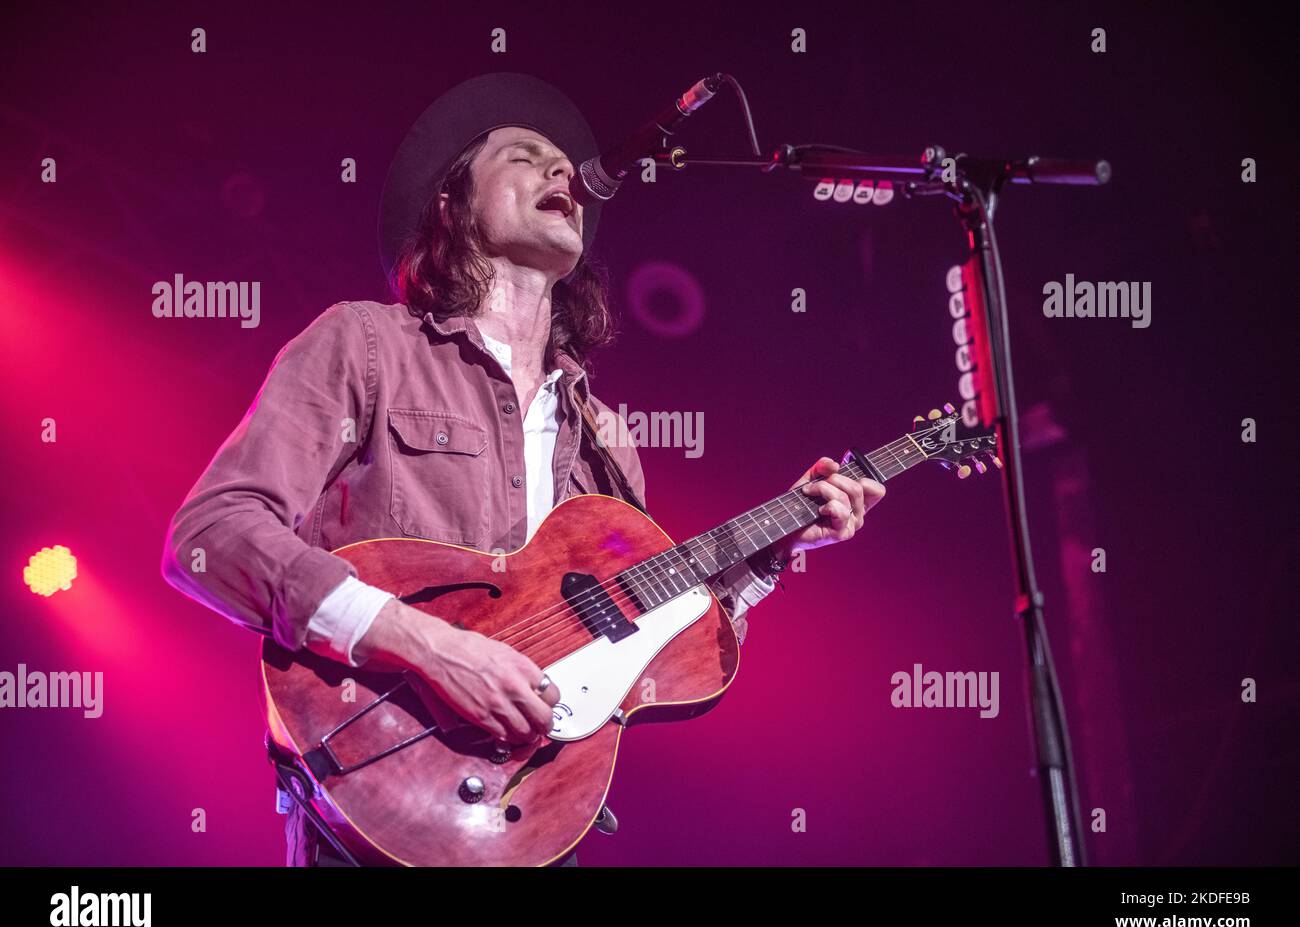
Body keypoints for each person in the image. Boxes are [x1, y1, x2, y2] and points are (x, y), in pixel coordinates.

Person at [161, 72, 885, 867]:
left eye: (562, 161)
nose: (559, 172)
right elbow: (212, 534)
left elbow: (648, 649)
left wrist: (775, 551)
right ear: (450, 203)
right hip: (377, 789)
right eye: (524, 156)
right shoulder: (366, 346)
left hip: (529, 811)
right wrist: (429, 646)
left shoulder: (605, 434)